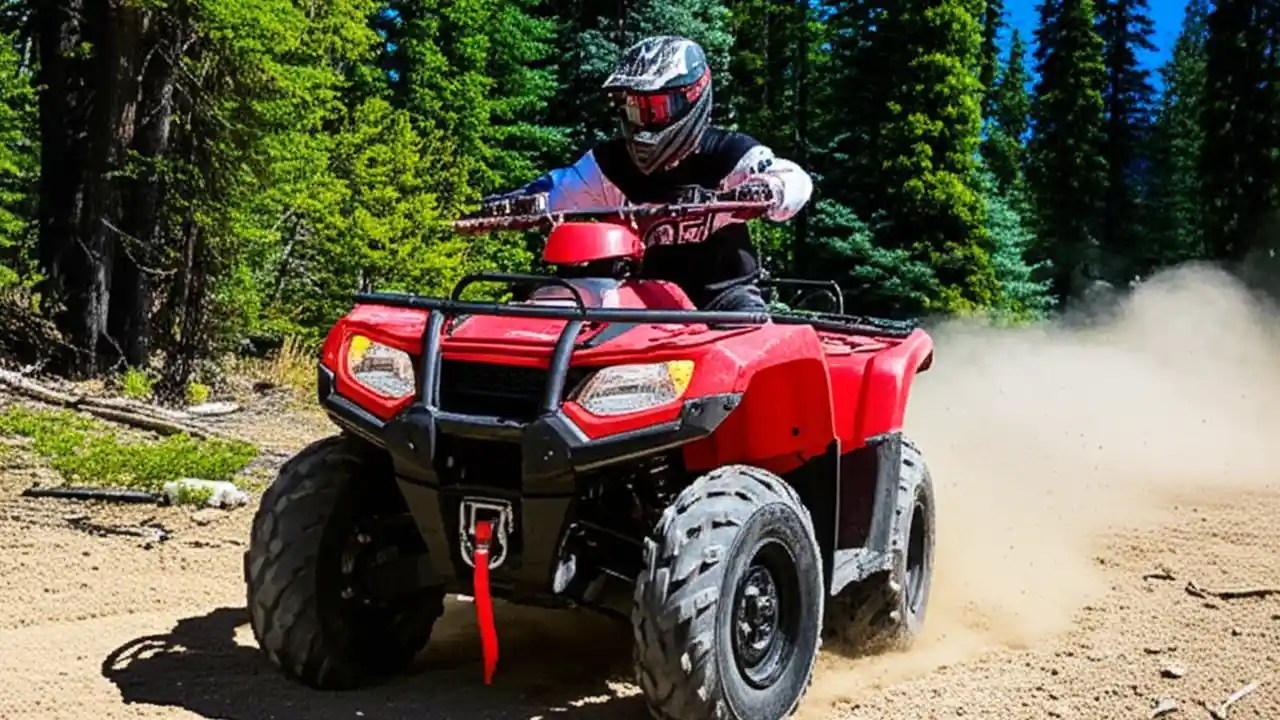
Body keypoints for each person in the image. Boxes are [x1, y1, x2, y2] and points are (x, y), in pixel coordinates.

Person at [475, 35, 813, 312]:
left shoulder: (728, 153)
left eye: (654, 109)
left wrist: (767, 190)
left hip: (721, 297)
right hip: (641, 295)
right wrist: (507, 205)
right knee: (563, 311)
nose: (641, 123)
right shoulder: (608, 163)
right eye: (632, 107)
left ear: (691, 98)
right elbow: (558, 190)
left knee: (750, 340)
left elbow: (793, 179)